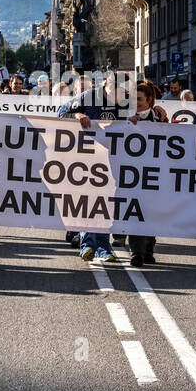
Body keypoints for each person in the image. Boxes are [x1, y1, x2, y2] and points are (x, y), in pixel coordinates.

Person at [58, 71, 130, 263]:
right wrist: (77, 114)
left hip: (111, 159)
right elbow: (61, 113)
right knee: (87, 201)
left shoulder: (125, 102)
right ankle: (88, 244)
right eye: (115, 88)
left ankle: (104, 247)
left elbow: (135, 121)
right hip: (85, 158)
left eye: (122, 90)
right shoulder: (87, 97)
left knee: (105, 204)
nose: (119, 93)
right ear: (106, 84)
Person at [125, 81, 169, 267]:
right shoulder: (125, 117)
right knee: (135, 212)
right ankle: (137, 252)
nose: (136, 103)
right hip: (132, 174)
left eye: (140, 99)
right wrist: (127, 125)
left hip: (153, 173)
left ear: (149, 100)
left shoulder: (160, 118)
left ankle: (149, 249)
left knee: (151, 212)